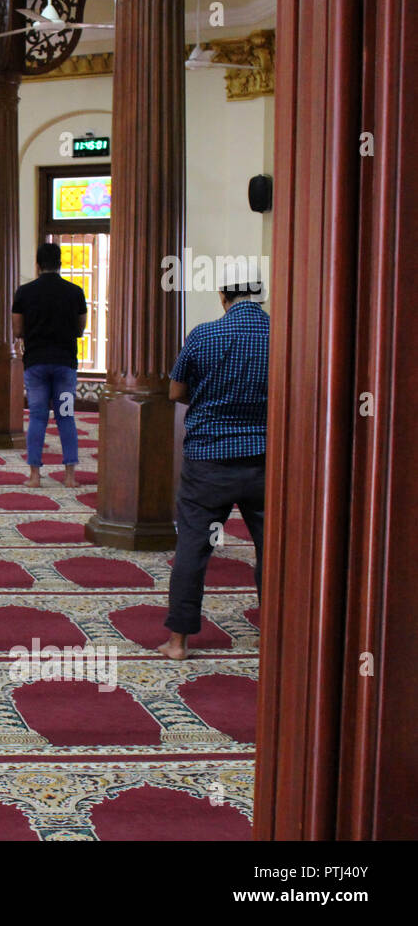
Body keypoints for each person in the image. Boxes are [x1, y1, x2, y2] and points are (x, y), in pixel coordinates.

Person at [159, 281, 269, 661]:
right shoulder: (283, 336)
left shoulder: (204, 334)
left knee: (194, 547)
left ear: (223, 297)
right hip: (266, 463)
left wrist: (208, 401)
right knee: (271, 551)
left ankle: (178, 642)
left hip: (209, 463)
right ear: (261, 297)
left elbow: (175, 392)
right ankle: (271, 638)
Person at [11, 242, 87, 488]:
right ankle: (70, 476)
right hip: (65, 364)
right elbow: (80, 328)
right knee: (66, 417)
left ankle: (34, 476)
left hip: (36, 364)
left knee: (37, 417)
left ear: (37, 264)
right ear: (60, 264)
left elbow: (18, 329)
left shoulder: (24, 292)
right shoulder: (75, 292)